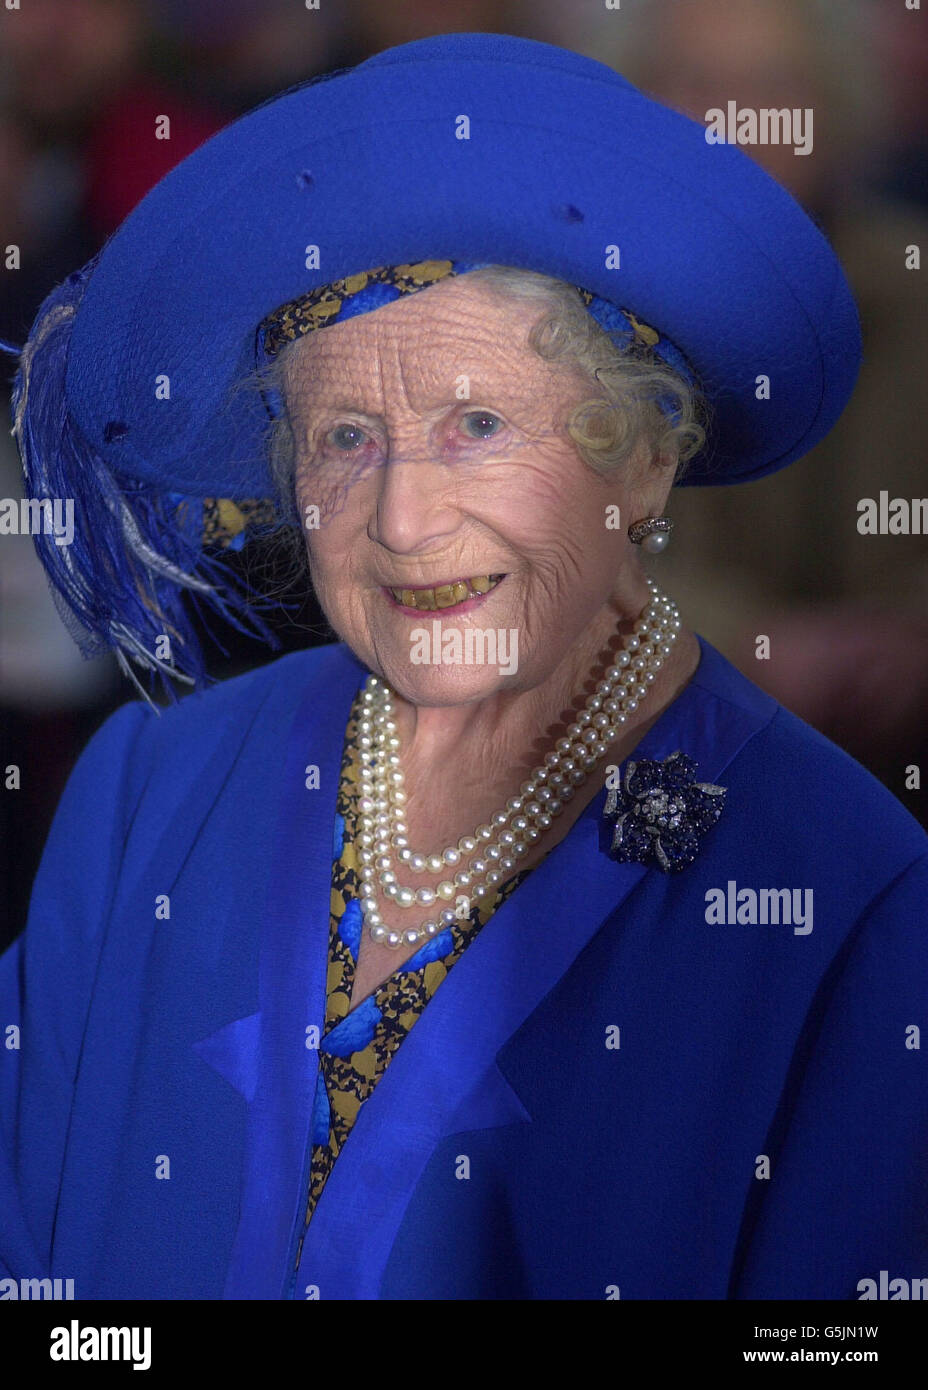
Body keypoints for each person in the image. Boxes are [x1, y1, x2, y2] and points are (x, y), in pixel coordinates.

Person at [0, 33, 925, 1302]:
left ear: (642, 456)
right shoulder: (144, 796)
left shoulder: (841, 893)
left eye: (476, 424)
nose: (400, 519)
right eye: (343, 437)